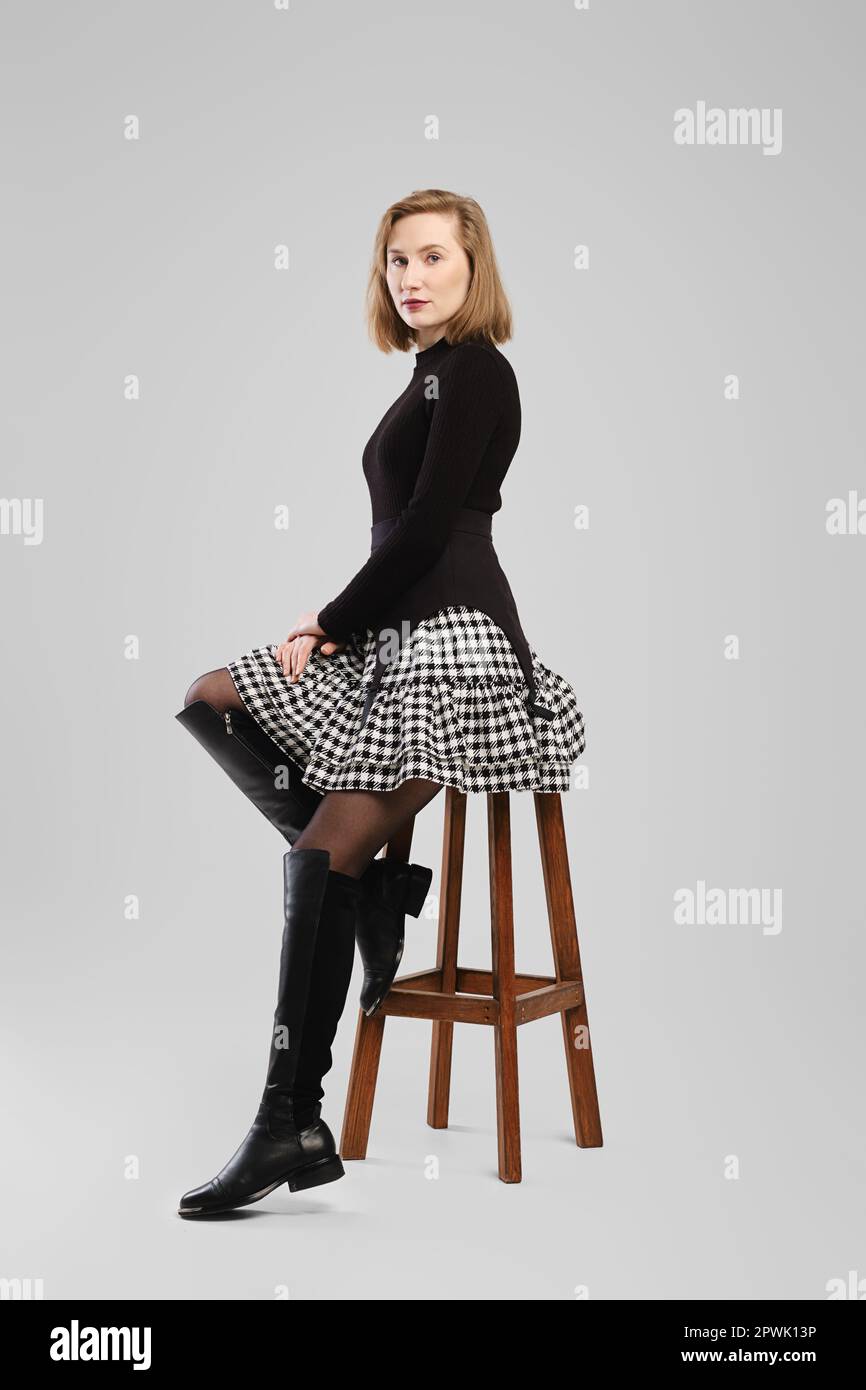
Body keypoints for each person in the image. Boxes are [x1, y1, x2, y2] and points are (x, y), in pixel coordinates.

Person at [175, 187, 587, 1217]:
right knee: (213, 697)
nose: (410, 277)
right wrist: (350, 624)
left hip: (454, 643)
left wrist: (327, 617)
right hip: (397, 632)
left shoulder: (477, 371)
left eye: (432, 259)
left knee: (316, 851)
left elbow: (422, 531)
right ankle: (369, 899)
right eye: (396, 260)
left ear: (472, 267)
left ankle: (289, 1117)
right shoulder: (427, 376)